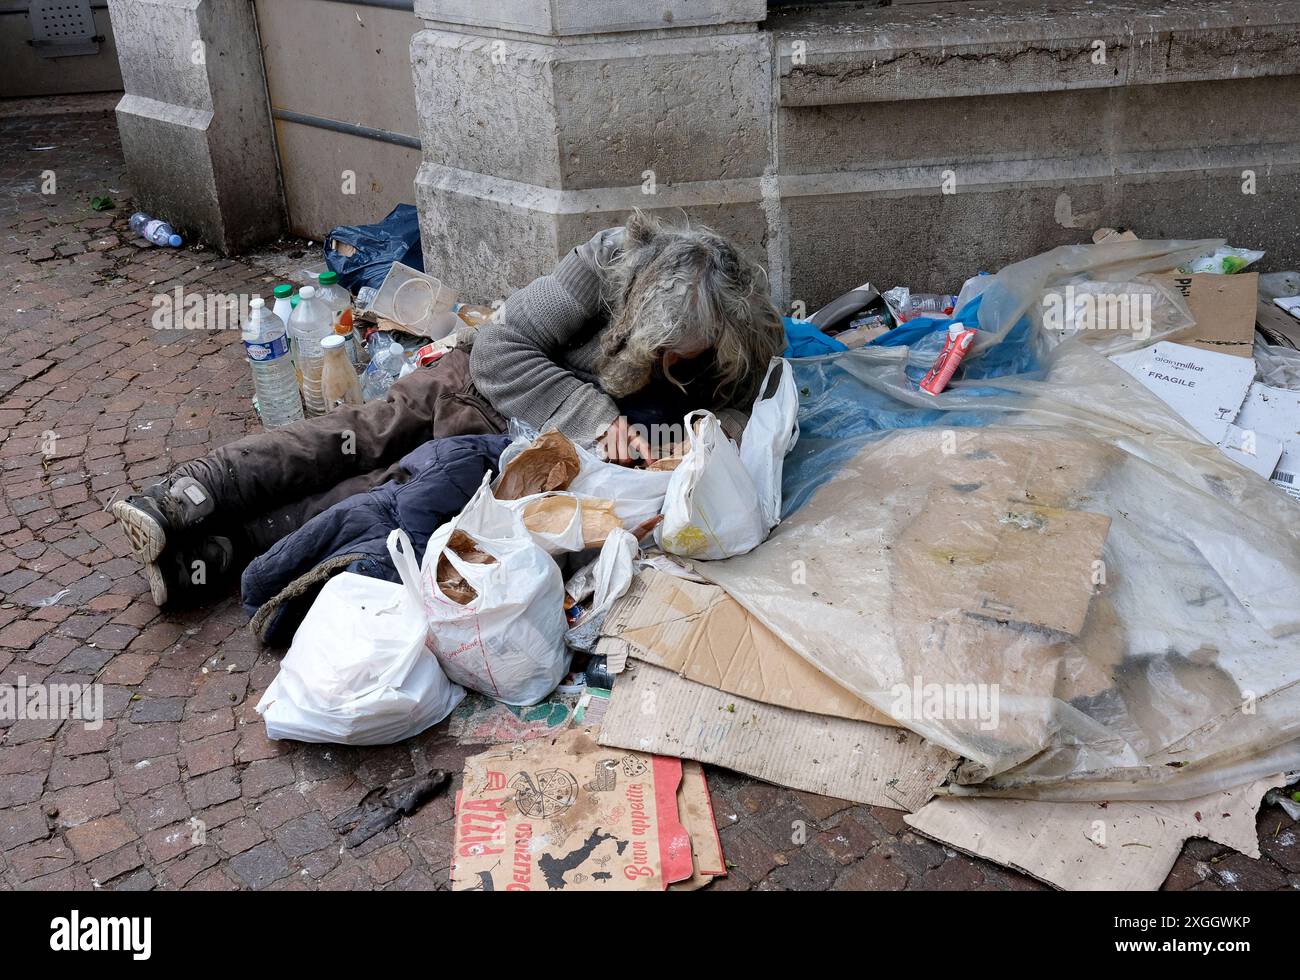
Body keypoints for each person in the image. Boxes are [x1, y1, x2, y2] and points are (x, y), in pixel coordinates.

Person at [110, 210, 786, 607]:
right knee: (353, 436)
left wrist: (691, 443)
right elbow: (501, 347)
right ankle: (189, 496)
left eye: (682, 351)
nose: (667, 360)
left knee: (375, 499)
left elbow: (745, 420)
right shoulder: (609, 259)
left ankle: (214, 558)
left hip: (521, 461)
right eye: (654, 343)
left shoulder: (749, 336)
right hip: (478, 389)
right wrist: (597, 420)